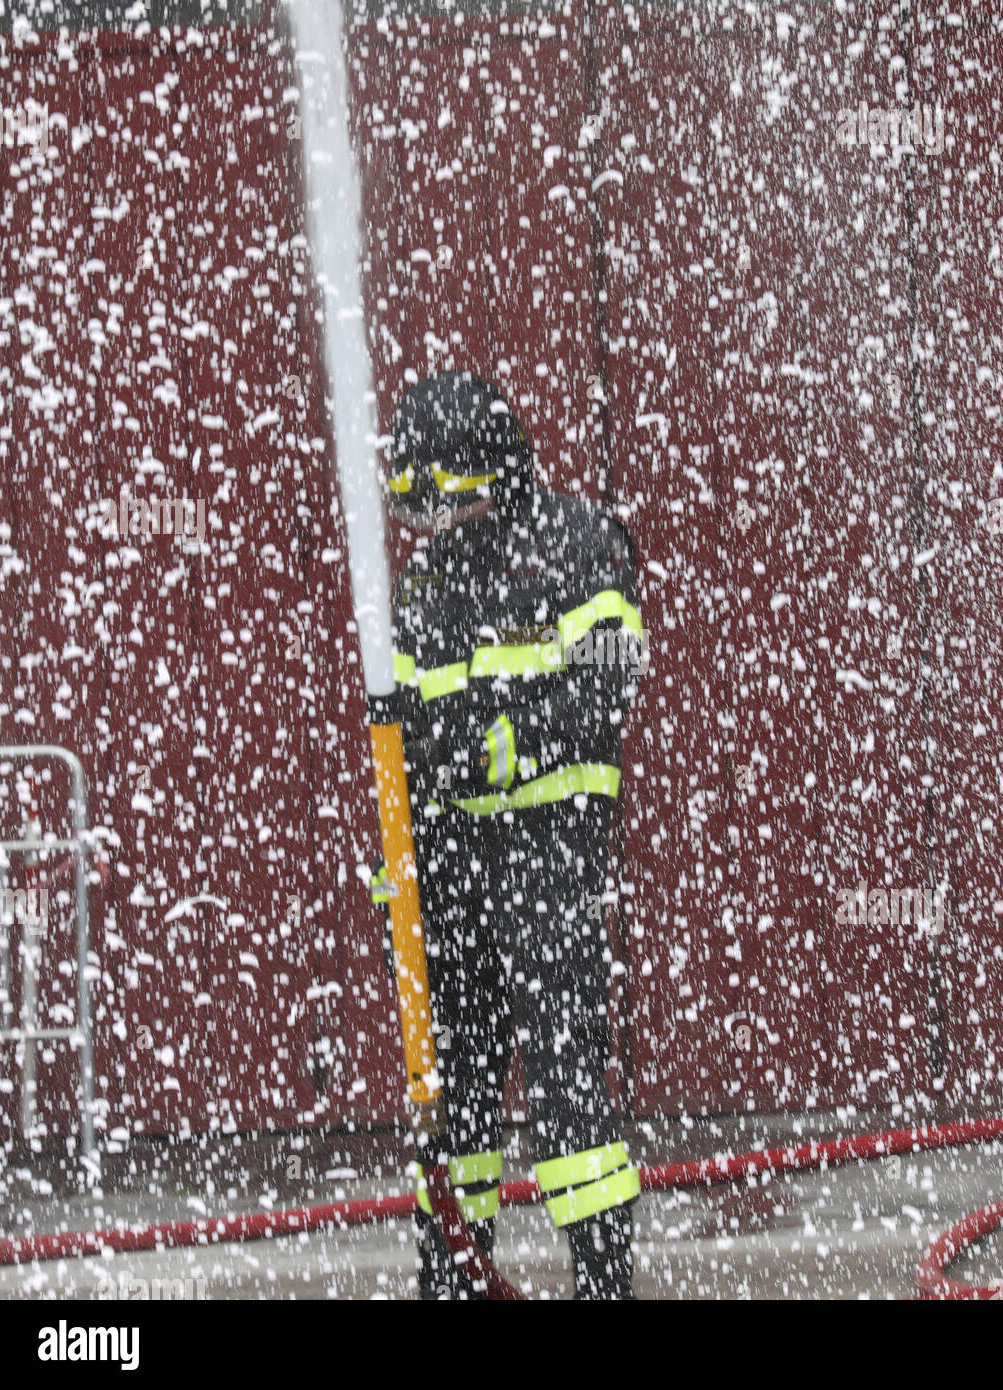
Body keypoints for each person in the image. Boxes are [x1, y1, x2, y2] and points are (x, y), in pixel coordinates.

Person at [371, 371, 643, 1299]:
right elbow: (404, 737)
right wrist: (396, 871)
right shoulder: (426, 586)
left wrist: (506, 747)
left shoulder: (582, 548)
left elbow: (606, 686)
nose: (431, 527)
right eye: (417, 510)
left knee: (569, 1090)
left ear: (485, 471)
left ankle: (601, 1280)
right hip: (450, 874)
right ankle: (451, 1273)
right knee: (454, 1101)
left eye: (440, 500)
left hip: (548, 857)